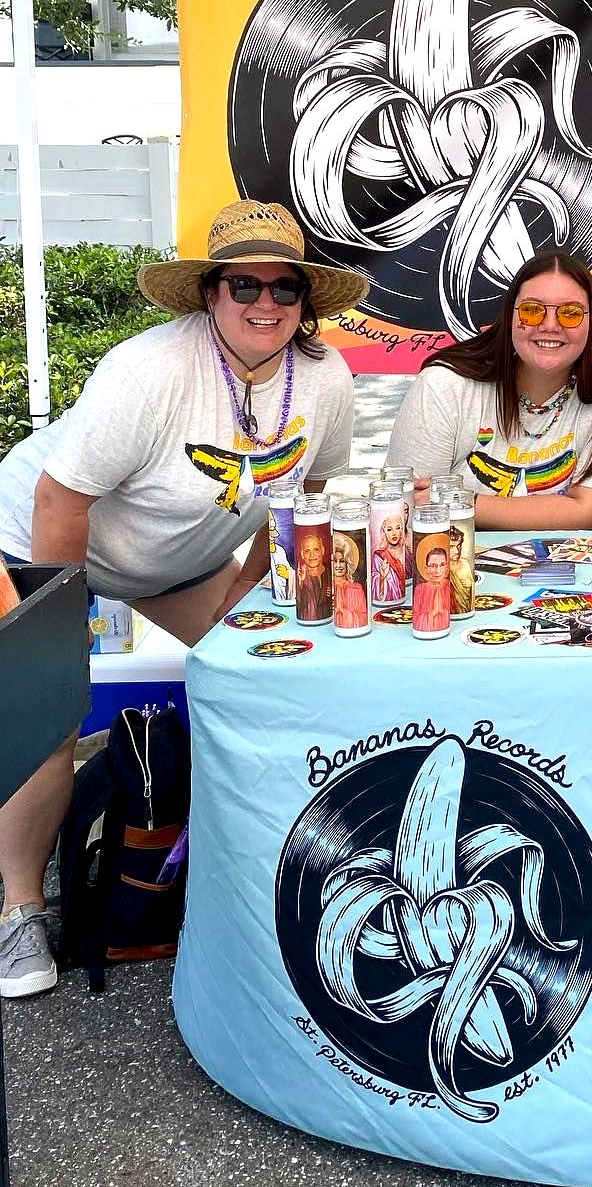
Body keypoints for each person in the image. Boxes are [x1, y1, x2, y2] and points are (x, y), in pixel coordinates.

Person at [0, 198, 366, 998]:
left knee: (274, 669)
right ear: (211, 295)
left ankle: (256, 880)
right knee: (49, 714)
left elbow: (312, 492)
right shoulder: (150, 369)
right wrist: (65, 626)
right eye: (244, 287)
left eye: (284, 289)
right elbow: (61, 500)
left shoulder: (327, 379)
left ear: (306, 303)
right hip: (38, 538)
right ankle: (21, 909)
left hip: (170, 565)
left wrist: (247, 591)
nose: (265, 304)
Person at [387, 251, 592, 529]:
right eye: (532, 310)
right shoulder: (443, 386)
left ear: (591, 323)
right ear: (510, 316)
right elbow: (409, 506)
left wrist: (460, 501)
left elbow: (590, 513)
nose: (550, 326)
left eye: (570, 313)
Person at [370, 508, 413, 603]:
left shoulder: (405, 551)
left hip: (405, 600)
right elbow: (374, 583)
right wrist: (382, 577)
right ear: (384, 532)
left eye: (398, 528)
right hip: (389, 602)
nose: (394, 533)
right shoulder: (379, 557)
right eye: (389, 529)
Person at [412, 542, 453, 633]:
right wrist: (430, 615)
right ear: (426, 568)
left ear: (446, 566)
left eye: (442, 565)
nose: (438, 571)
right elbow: (417, 618)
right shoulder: (420, 589)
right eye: (433, 566)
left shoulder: (448, 585)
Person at [332, 533, 368, 630]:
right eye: (335, 561)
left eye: (342, 561)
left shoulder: (355, 589)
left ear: (348, 563)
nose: (338, 565)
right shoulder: (325, 587)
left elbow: (363, 617)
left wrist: (343, 612)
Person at [294, 529, 331, 622]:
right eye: (307, 551)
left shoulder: (330, 572)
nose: (312, 555)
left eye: (316, 550)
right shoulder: (300, 578)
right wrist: (301, 583)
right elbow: (300, 605)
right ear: (302, 554)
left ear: (322, 550)